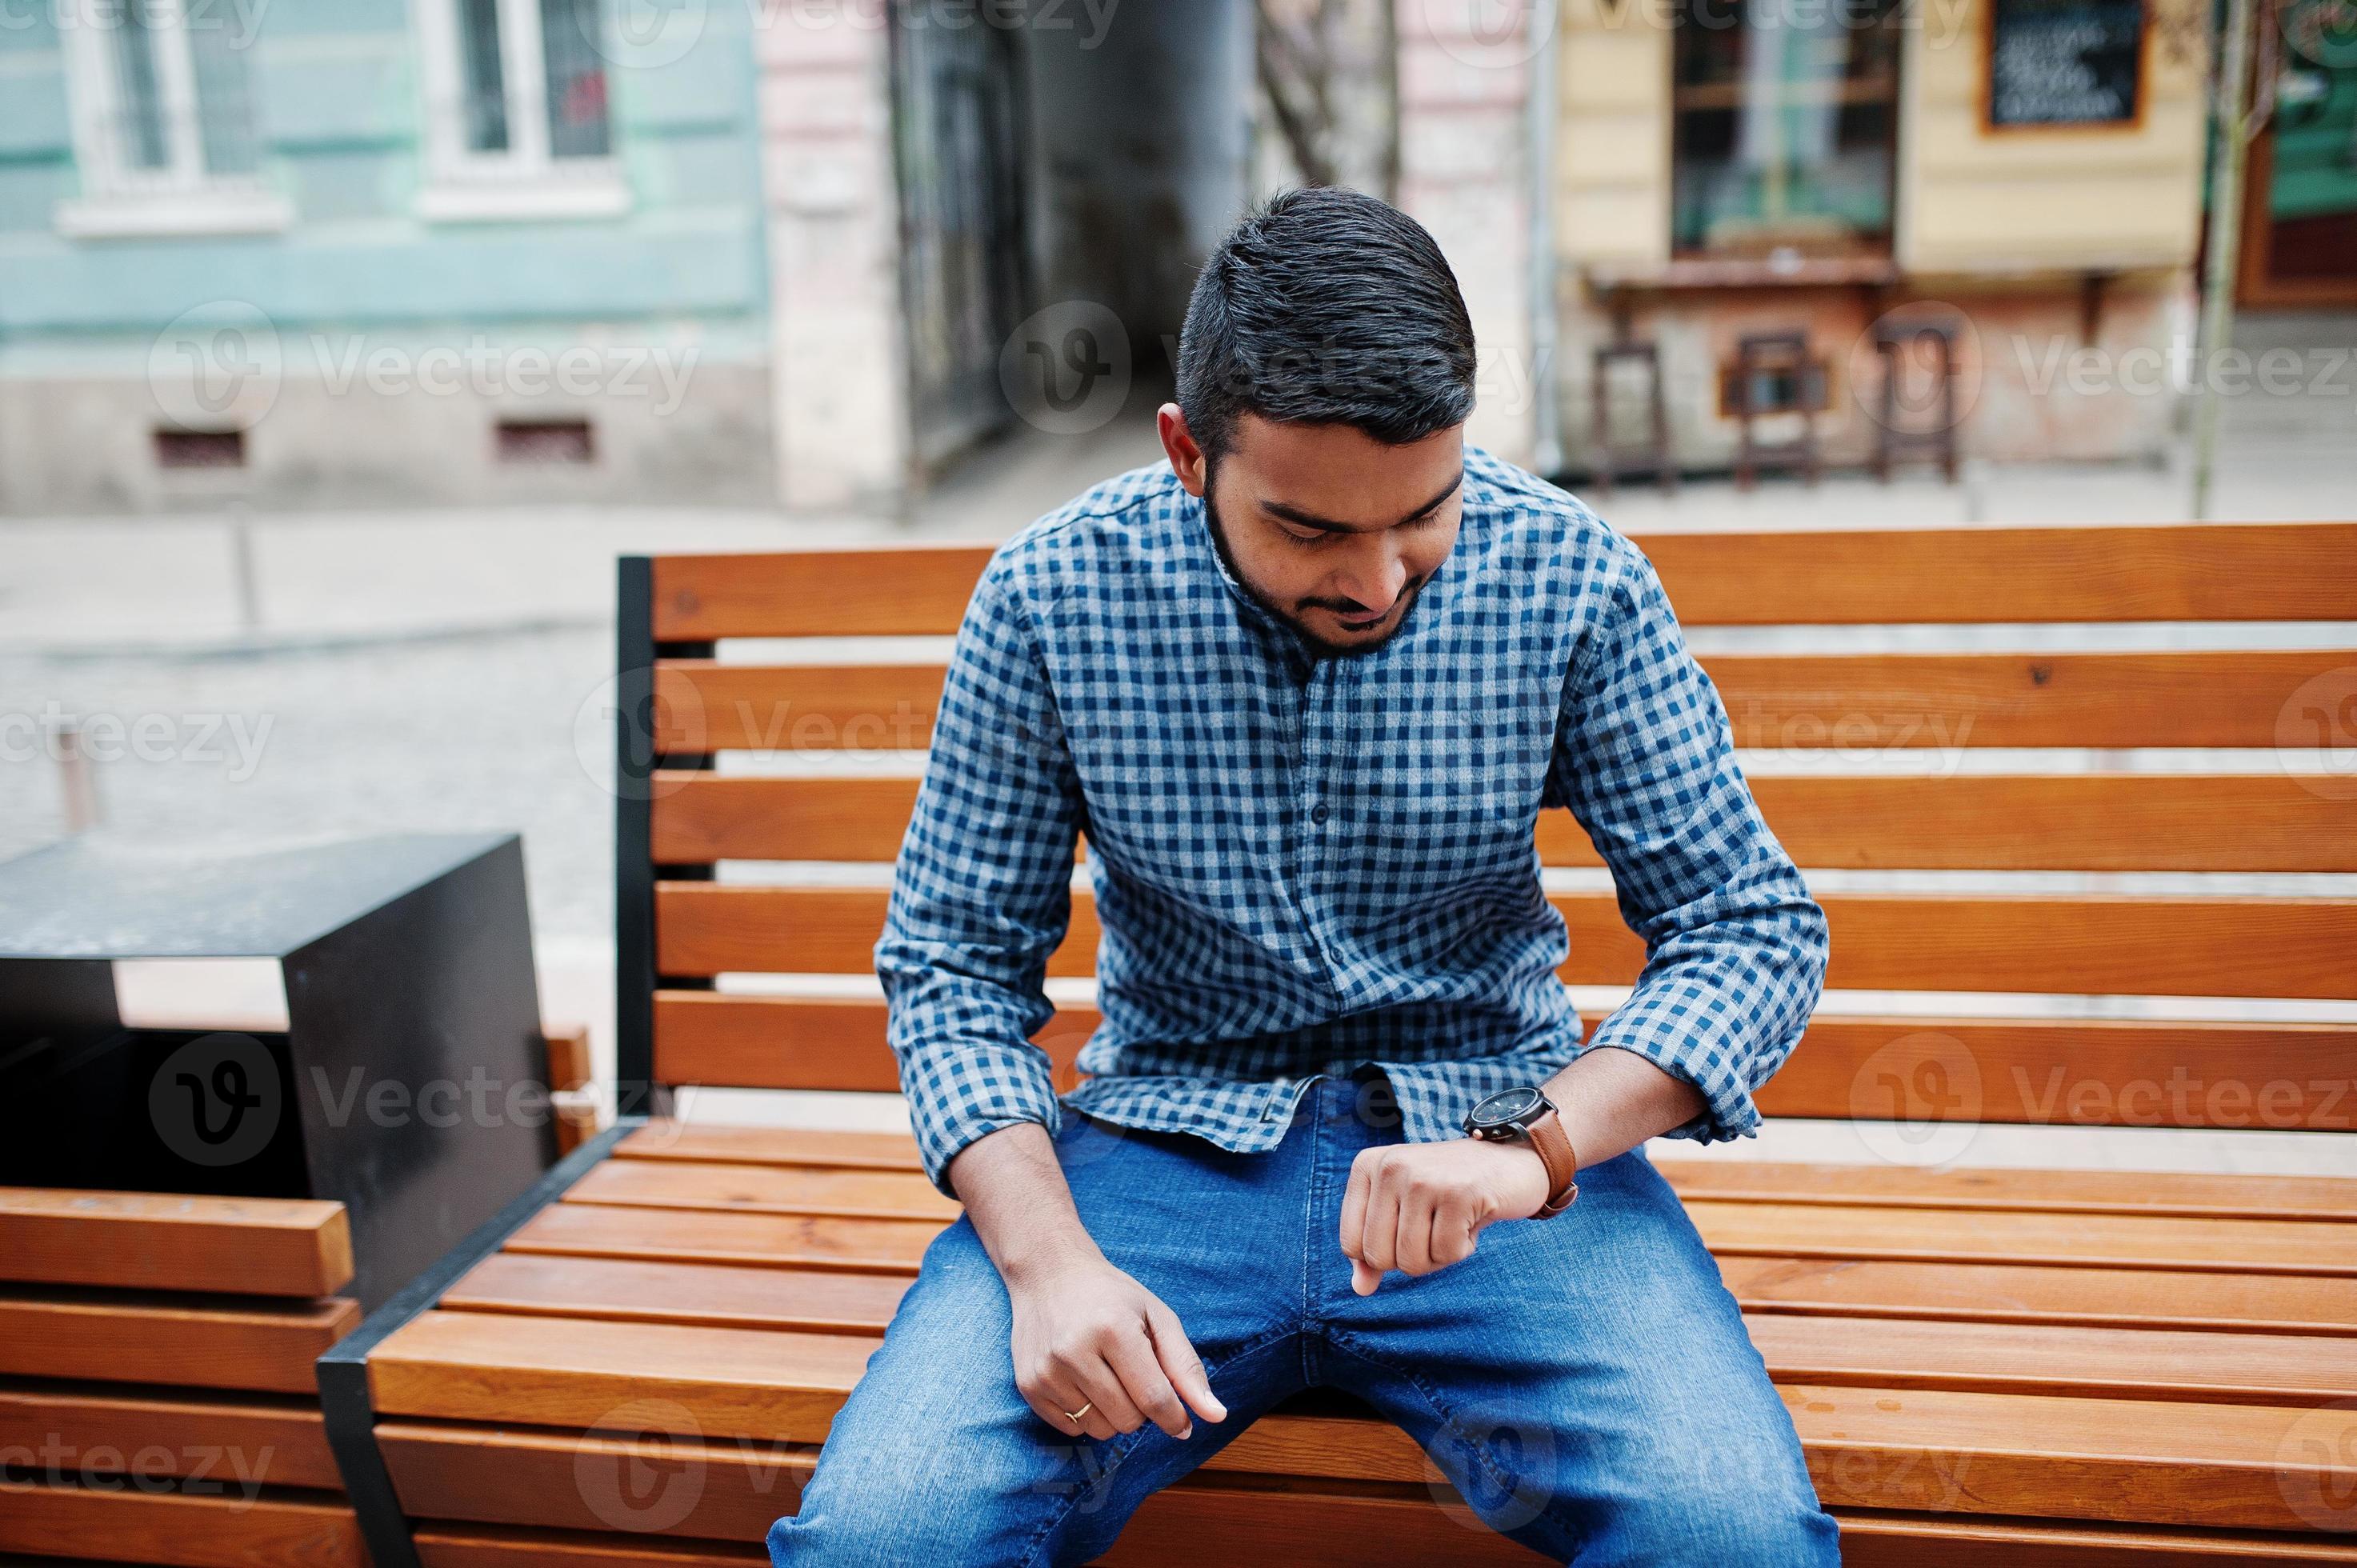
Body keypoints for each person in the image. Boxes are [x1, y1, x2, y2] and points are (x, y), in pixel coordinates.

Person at [768, 186, 1839, 1566]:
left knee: (1732, 1545)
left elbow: (1747, 928)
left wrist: (1536, 1149)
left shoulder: (1571, 577)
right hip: (1154, 1158)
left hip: (1498, 1157)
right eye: (1310, 530)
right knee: (881, 1544)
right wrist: (1045, 1265)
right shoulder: (1047, 597)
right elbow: (953, 968)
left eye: (1422, 514)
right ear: (1184, 451)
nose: (1380, 580)